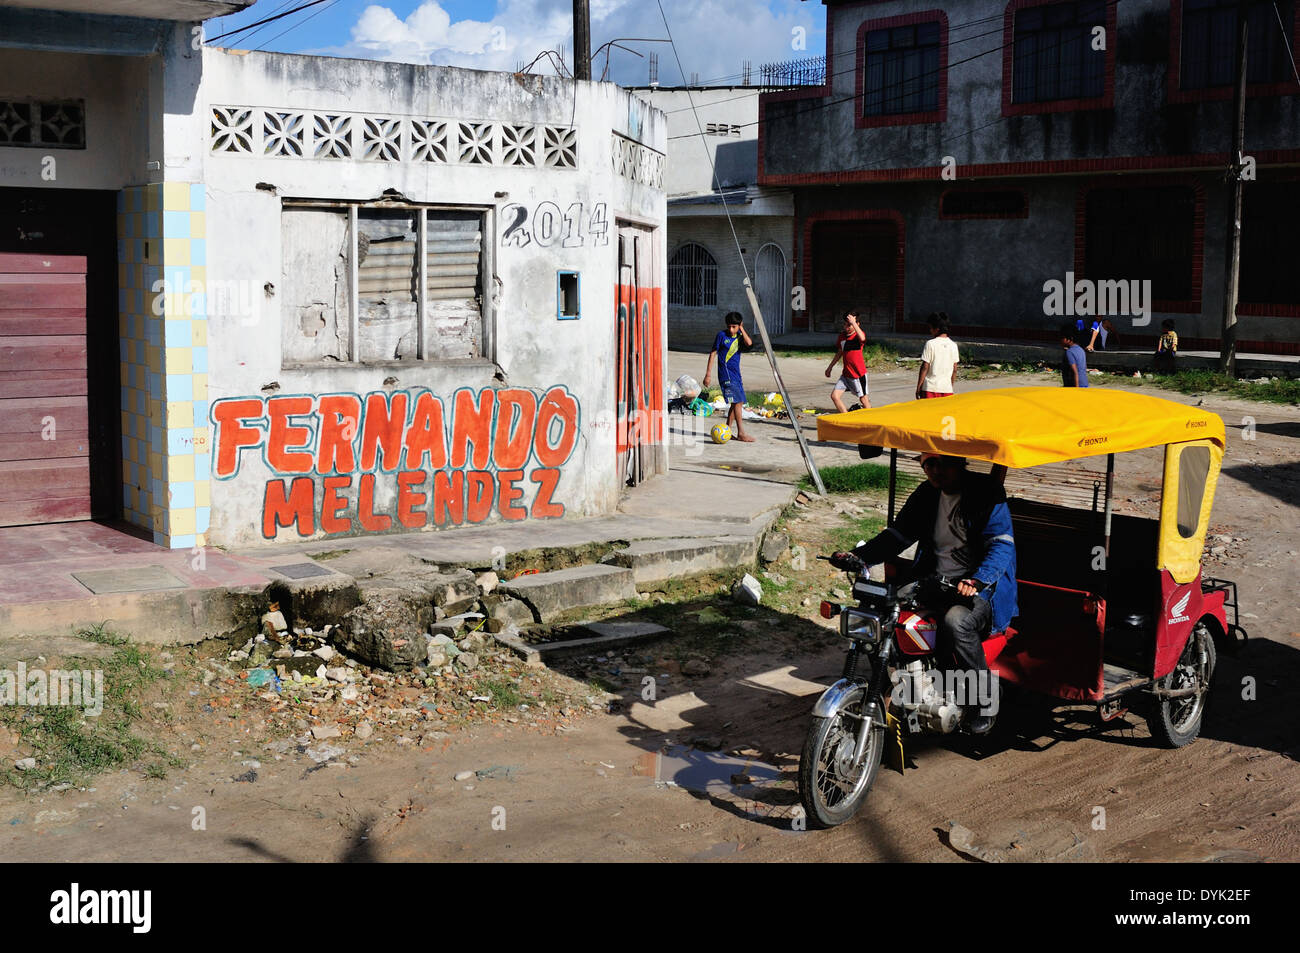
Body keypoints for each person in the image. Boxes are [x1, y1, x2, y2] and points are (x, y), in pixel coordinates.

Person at [834, 452, 1017, 734]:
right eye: (928, 464)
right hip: (933, 581)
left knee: (956, 621)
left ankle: (984, 700)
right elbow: (898, 535)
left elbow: (1001, 543)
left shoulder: (986, 491)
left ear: (958, 462)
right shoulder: (927, 494)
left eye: (941, 463)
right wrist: (859, 556)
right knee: (885, 613)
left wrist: (978, 580)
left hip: (981, 590)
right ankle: (899, 685)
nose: (934, 471)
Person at [702, 311, 755, 442]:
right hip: (726, 375)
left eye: (734, 327)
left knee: (738, 402)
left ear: (739, 325)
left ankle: (727, 430)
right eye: (729, 326)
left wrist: (741, 329)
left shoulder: (740, 336)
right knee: (737, 402)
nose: (731, 329)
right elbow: (713, 353)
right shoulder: (721, 335)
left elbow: (749, 343)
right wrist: (708, 374)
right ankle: (741, 433)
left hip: (736, 375)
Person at [825, 309, 870, 412]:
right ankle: (847, 419)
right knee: (835, 396)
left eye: (849, 325)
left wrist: (853, 323)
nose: (846, 327)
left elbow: (863, 338)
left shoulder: (858, 336)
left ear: (857, 324)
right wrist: (830, 367)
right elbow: (839, 353)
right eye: (845, 324)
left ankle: (871, 422)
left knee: (864, 400)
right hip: (846, 375)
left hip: (858, 375)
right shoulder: (842, 336)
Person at [916, 311, 959, 399]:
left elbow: (925, 367)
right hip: (947, 389)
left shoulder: (930, 344)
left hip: (930, 388)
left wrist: (919, 387)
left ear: (937, 329)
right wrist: (950, 386)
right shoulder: (953, 345)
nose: (930, 330)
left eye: (931, 328)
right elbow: (955, 369)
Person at [1061, 322, 1089, 387]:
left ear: (1070, 339)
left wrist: (1076, 389)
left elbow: (1075, 372)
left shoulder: (1069, 352)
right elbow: (1083, 368)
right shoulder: (1081, 350)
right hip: (1084, 383)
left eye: (1062, 338)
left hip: (1074, 386)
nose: (1061, 340)